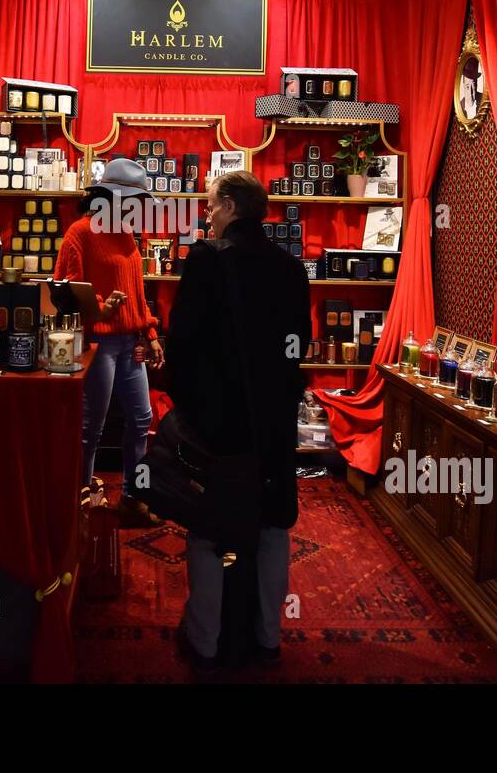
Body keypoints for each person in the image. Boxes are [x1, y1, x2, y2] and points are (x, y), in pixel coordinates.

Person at [166, 170, 311, 670]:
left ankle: (205, 643)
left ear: (230, 207)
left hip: (218, 422)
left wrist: (188, 405)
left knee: (209, 530)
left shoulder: (207, 260)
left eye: (210, 207)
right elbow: (300, 346)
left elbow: (181, 344)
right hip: (273, 422)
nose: (206, 216)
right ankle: (267, 639)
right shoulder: (291, 269)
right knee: (272, 526)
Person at [54, 157, 165, 528]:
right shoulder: (80, 233)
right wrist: (102, 309)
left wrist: (149, 333)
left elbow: (137, 292)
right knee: (91, 427)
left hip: (129, 341)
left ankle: (133, 498)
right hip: (97, 344)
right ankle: (78, 499)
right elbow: (65, 293)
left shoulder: (127, 233)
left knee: (141, 418)